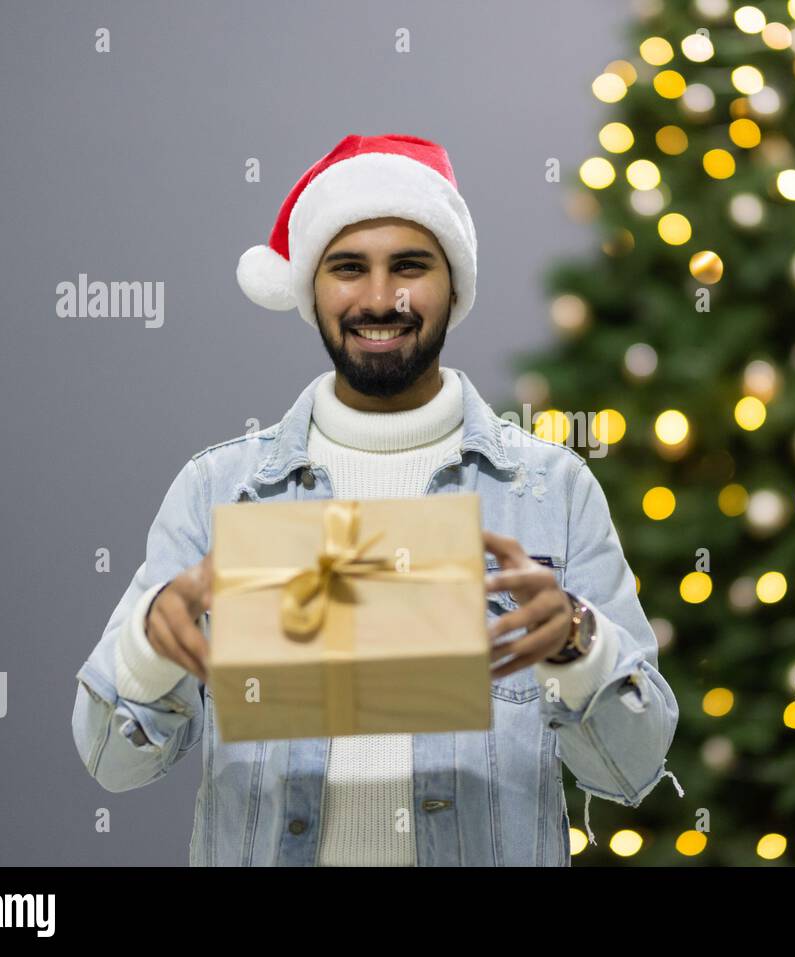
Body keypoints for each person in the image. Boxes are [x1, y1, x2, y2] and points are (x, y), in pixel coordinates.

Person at [70, 133, 682, 866]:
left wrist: (581, 643)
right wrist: (146, 645)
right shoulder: (218, 492)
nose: (380, 297)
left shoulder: (552, 490)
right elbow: (110, 763)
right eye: (349, 268)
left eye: (410, 266)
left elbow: (631, 769)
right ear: (311, 290)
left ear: (453, 285)